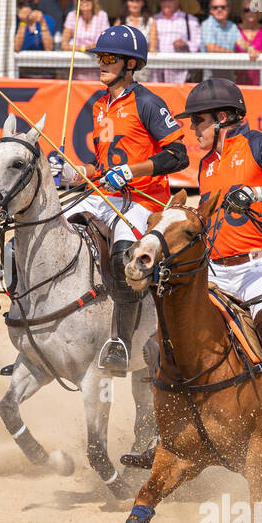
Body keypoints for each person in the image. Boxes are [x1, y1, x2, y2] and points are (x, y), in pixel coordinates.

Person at [177, 78, 262, 447]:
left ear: (222, 117)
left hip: (261, 265)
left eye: (198, 121)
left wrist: (257, 192)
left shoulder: (259, 145)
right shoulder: (207, 165)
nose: (193, 129)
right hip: (217, 270)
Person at [64, 24, 189, 376]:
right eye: (100, 58)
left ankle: (119, 341)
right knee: (50, 226)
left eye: (108, 58)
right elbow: (102, 164)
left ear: (130, 64)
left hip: (144, 198)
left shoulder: (148, 102)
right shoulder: (99, 105)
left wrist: (132, 171)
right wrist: (78, 171)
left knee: (123, 255)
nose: (100, 64)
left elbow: (179, 155)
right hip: (105, 194)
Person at [151, 0, 201, 84]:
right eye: (164, 0)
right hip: (157, 73)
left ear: (177, 2)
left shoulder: (189, 20)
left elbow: (198, 43)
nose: (166, 3)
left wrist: (185, 44)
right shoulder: (154, 19)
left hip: (180, 74)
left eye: (170, 0)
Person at [63, 0, 108, 79]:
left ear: (94, 1)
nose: (84, 1)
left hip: (96, 66)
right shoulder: (72, 15)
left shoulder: (102, 15)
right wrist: (84, 48)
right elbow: (64, 45)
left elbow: (105, 43)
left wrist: (77, 48)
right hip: (76, 67)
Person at [200, 0, 241, 80]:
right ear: (210, 10)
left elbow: (241, 42)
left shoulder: (232, 26)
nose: (219, 10)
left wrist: (251, 48)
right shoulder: (207, 24)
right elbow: (210, 48)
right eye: (215, 7)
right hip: (211, 77)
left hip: (229, 75)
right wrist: (231, 53)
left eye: (223, 7)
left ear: (228, 9)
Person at [234, 0, 262, 86]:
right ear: (242, 13)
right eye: (247, 10)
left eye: (254, 9)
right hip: (236, 82)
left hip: (261, 81)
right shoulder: (234, 30)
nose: (250, 13)